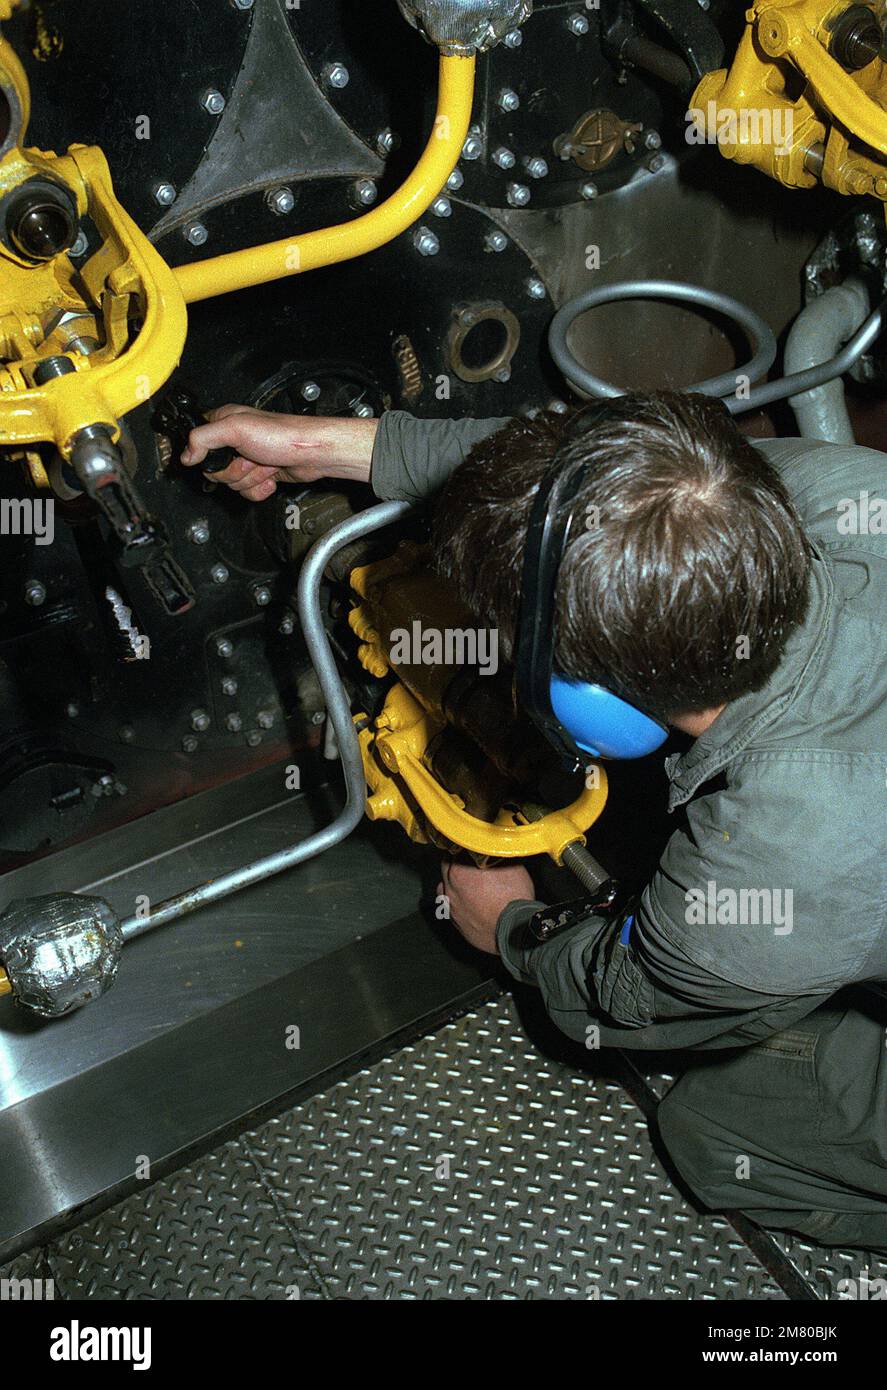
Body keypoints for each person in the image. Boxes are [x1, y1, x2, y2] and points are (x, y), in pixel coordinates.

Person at [183, 393, 887, 1251]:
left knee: (717, 1124)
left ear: (594, 713)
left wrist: (512, 929)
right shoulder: (833, 490)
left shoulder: (778, 880)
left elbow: (629, 996)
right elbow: (607, 484)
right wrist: (340, 446)